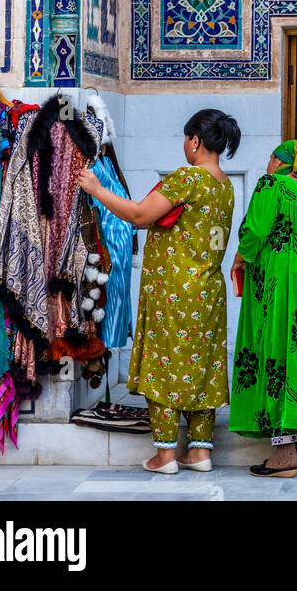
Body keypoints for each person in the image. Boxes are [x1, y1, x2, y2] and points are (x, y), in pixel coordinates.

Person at [78, 107, 240, 474]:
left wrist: (97, 189)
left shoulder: (188, 178)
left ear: (195, 141)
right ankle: (200, 450)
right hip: (208, 290)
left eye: (186, 138)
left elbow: (138, 215)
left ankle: (165, 454)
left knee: (165, 365)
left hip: (174, 291)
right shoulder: (224, 186)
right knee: (202, 365)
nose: (185, 146)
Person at [229, 141, 297, 477]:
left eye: (271, 156)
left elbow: (255, 231)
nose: (267, 162)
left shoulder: (272, 184)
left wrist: (240, 258)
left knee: (277, 352)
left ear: (282, 162)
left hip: (278, 283)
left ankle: (284, 453)